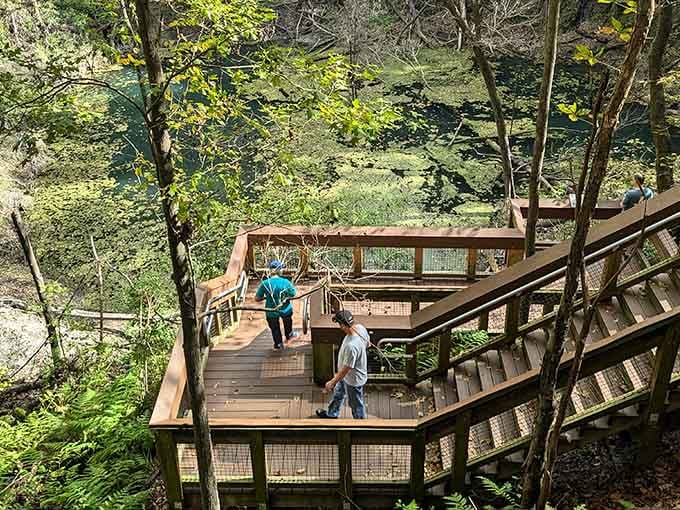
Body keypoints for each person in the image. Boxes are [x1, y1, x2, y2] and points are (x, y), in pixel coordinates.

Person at [316, 310, 369, 419]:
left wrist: (332, 382)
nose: (339, 327)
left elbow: (347, 368)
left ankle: (360, 425)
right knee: (338, 394)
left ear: (343, 325)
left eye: (339, 324)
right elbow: (368, 344)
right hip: (345, 377)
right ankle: (332, 414)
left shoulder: (352, 346)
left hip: (353, 380)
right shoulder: (360, 328)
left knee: (356, 404)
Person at [255, 260, 298, 350]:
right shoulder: (285, 282)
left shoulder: (265, 283)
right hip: (285, 309)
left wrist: (266, 297)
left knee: (274, 328)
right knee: (287, 322)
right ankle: (289, 335)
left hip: (271, 311)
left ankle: (278, 343)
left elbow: (257, 298)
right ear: (280, 270)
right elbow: (293, 294)